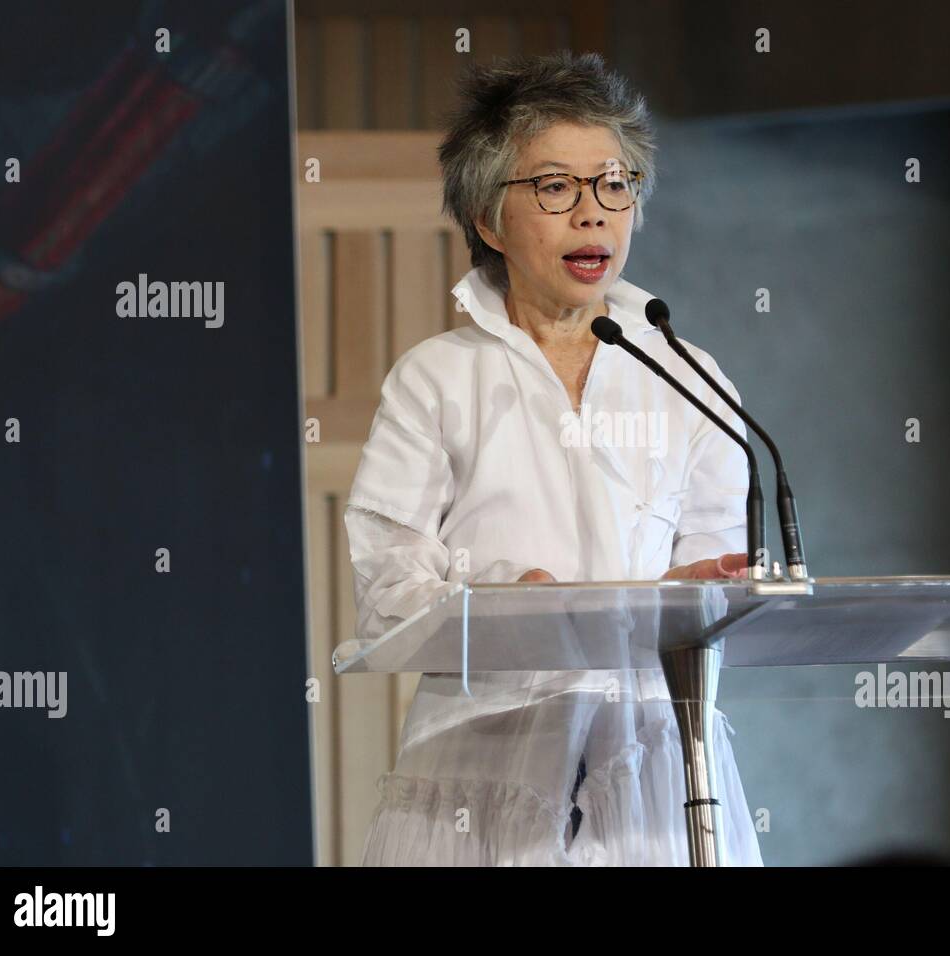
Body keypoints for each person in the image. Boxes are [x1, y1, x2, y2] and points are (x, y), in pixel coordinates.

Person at [346, 50, 762, 866]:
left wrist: (697, 594)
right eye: (555, 187)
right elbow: (389, 593)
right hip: (482, 772)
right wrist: (499, 612)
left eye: (614, 184)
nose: (593, 214)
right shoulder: (436, 378)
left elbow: (718, 578)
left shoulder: (690, 376)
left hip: (652, 769)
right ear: (487, 219)